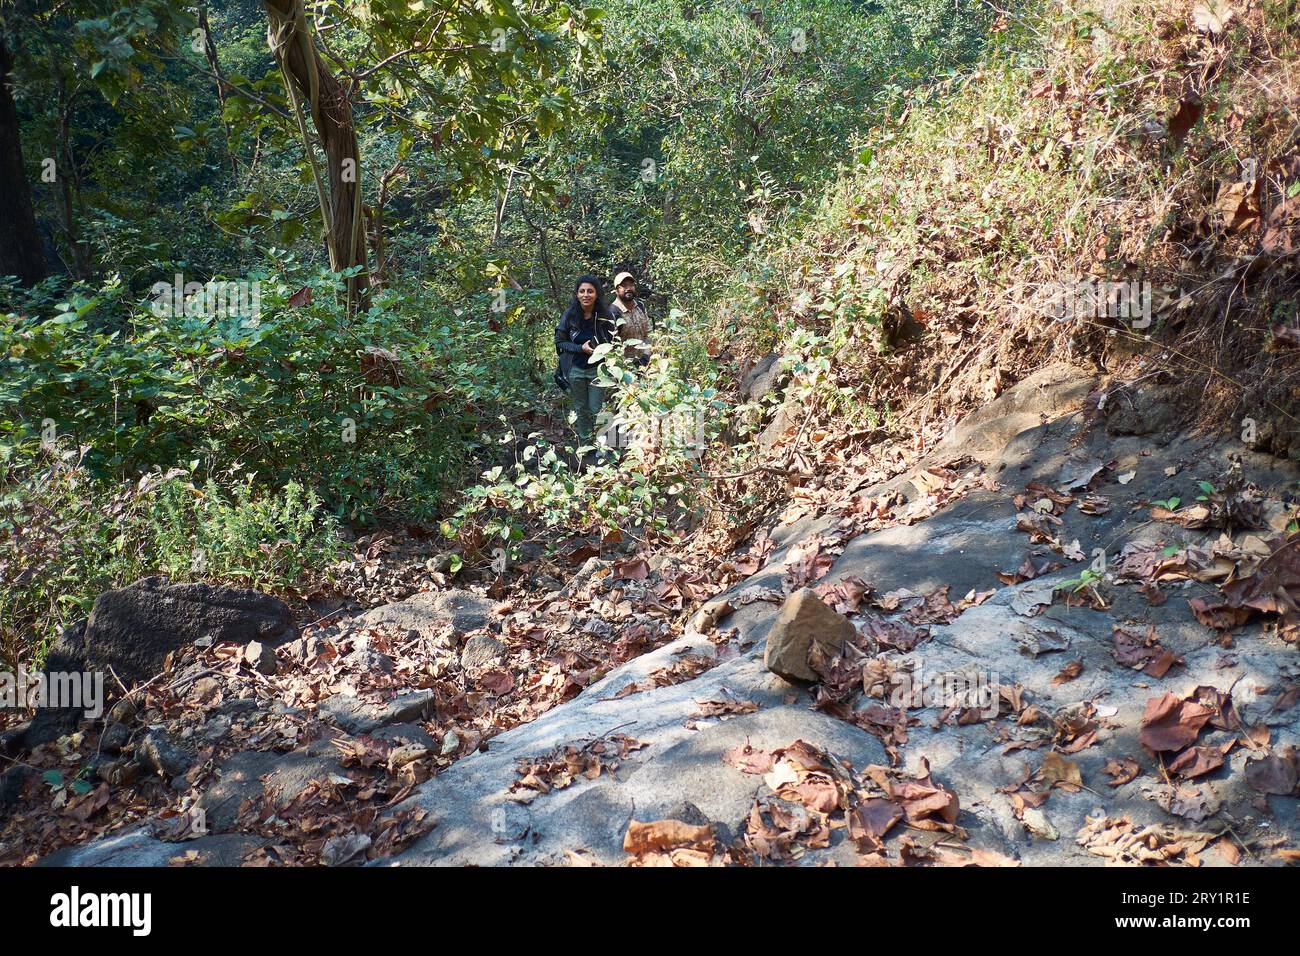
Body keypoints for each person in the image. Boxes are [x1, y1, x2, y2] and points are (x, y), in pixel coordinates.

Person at [555, 274, 617, 449]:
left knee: (597, 408)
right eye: (582, 291)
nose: (586, 295)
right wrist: (580, 349)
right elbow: (560, 341)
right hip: (576, 369)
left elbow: (614, 341)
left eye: (590, 291)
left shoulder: (605, 315)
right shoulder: (570, 315)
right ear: (577, 294)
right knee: (581, 409)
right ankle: (585, 444)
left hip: (598, 371)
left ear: (597, 294)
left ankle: (602, 446)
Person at [610, 270, 652, 366]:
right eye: (624, 286)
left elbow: (648, 334)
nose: (628, 288)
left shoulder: (640, 306)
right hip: (624, 368)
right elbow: (611, 346)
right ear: (616, 290)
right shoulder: (612, 312)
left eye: (631, 285)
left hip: (644, 365)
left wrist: (646, 356)